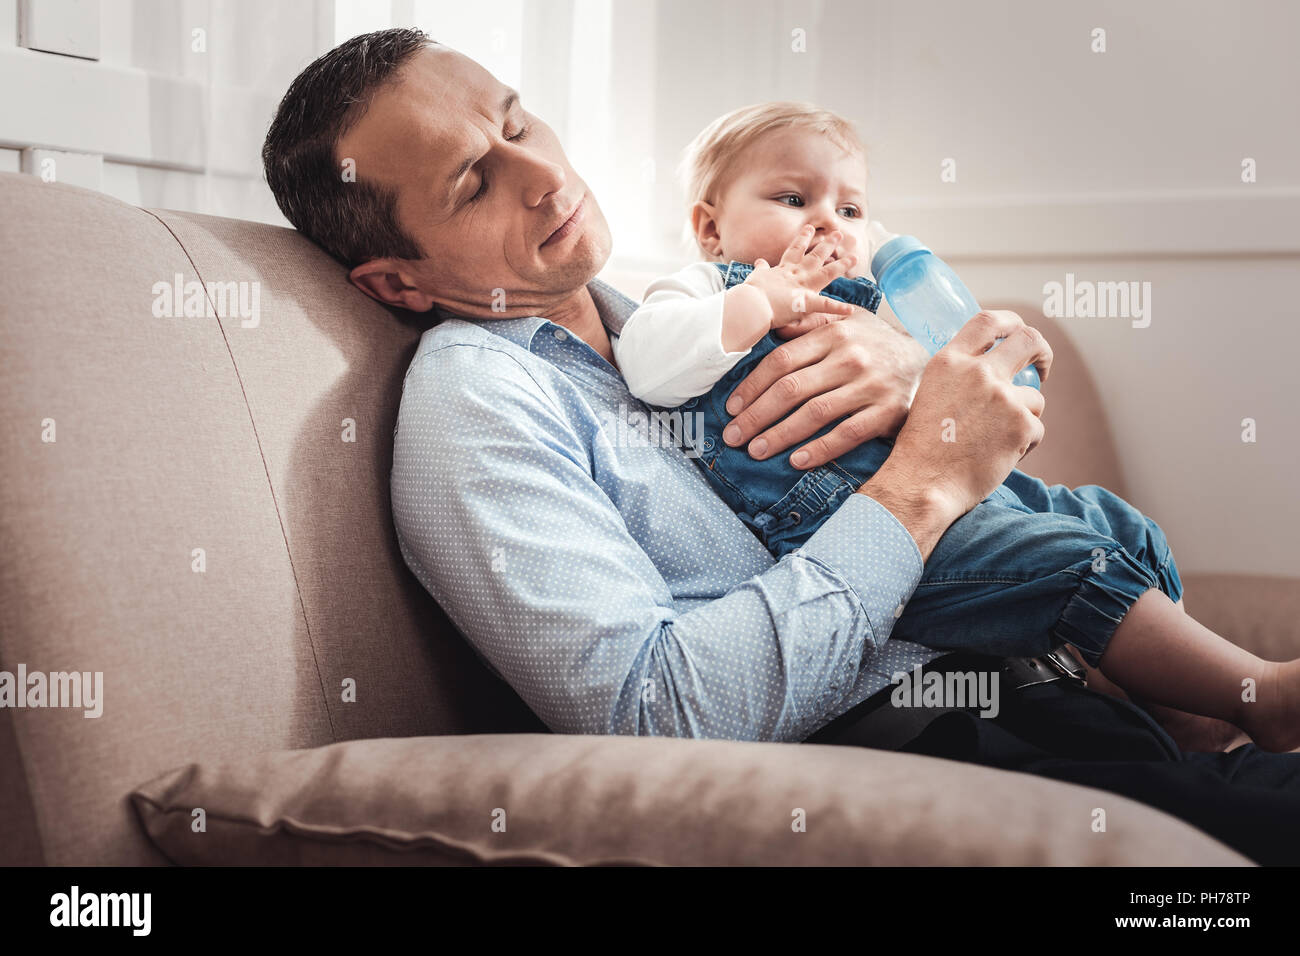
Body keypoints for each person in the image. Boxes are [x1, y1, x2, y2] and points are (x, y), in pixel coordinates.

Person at [260, 28, 1300, 863]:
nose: (542, 172)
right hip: (940, 762)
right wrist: (922, 483)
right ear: (397, 280)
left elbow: (975, 471)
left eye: (518, 120)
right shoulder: (474, 397)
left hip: (1051, 687)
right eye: (473, 181)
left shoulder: (668, 327)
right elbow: (654, 714)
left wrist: (908, 373)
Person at [613, 101, 1300, 752]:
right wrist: (762, 298)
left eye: (849, 207)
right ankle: (1256, 696)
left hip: (969, 494)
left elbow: (955, 400)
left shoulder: (875, 309)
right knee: (1069, 564)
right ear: (710, 227)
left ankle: (1187, 715)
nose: (828, 222)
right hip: (853, 524)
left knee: (1118, 524)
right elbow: (647, 364)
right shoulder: (706, 292)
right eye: (793, 199)